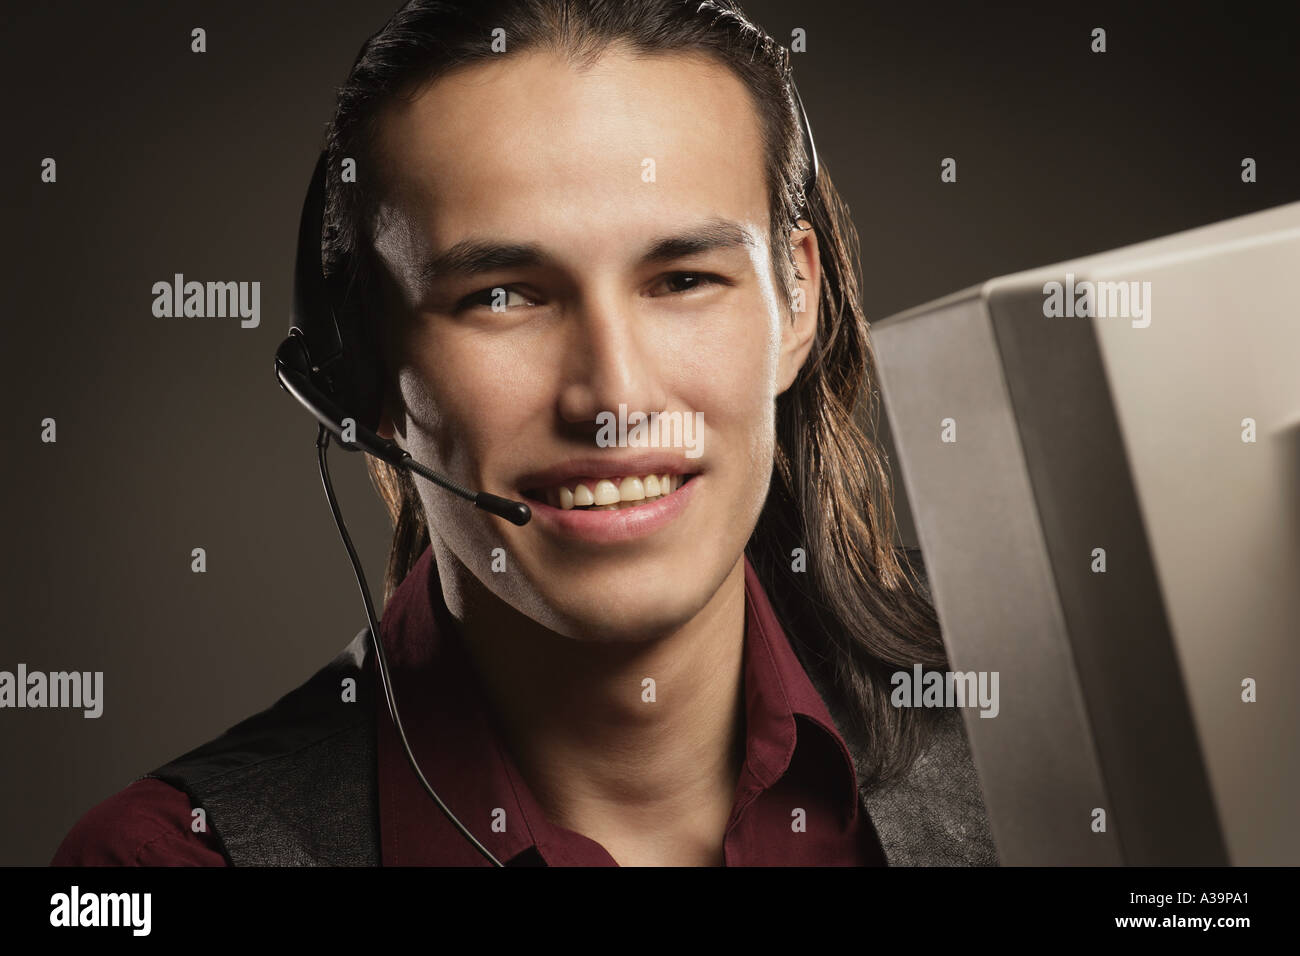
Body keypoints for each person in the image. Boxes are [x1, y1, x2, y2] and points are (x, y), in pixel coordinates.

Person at [52, 0, 995, 867]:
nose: (614, 395)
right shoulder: (158, 865)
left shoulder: (1038, 704)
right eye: (502, 297)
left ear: (797, 303)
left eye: (682, 280)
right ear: (361, 367)